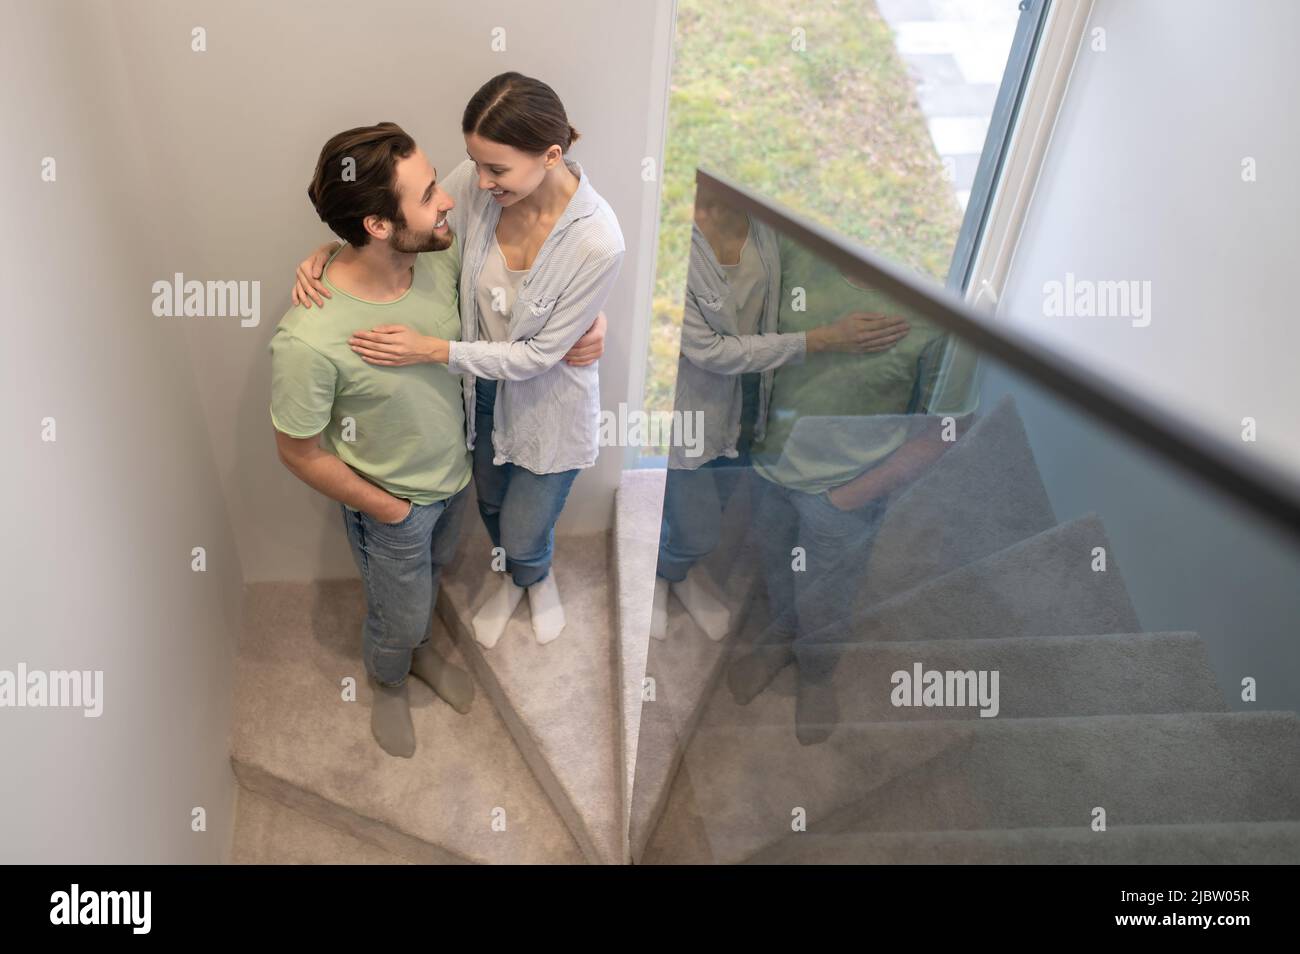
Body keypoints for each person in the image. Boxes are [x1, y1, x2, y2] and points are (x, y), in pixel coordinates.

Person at [294, 73, 624, 650]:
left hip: (547, 400)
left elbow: (542, 354)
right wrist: (328, 250)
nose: (476, 181)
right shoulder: (481, 187)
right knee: (491, 502)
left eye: (495, 168)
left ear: (551, 155)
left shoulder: (597, 242)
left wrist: (432, 350)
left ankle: (533, 574)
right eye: (474, 163)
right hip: (479, 393)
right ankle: (511, 574)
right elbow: (398, 224)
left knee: (525, 528)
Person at [270, 122, 473, 759]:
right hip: (393, 508)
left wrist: (590, 319)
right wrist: (390, 511)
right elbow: (297, 450)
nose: (448, 202)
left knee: (432, 581)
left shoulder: (439, 253)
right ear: (379, 226)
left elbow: (513, 290)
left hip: (455, 480)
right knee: (397, 612)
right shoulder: (309, 338)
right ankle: (389, 679)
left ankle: (416, 650)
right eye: (429, 193)